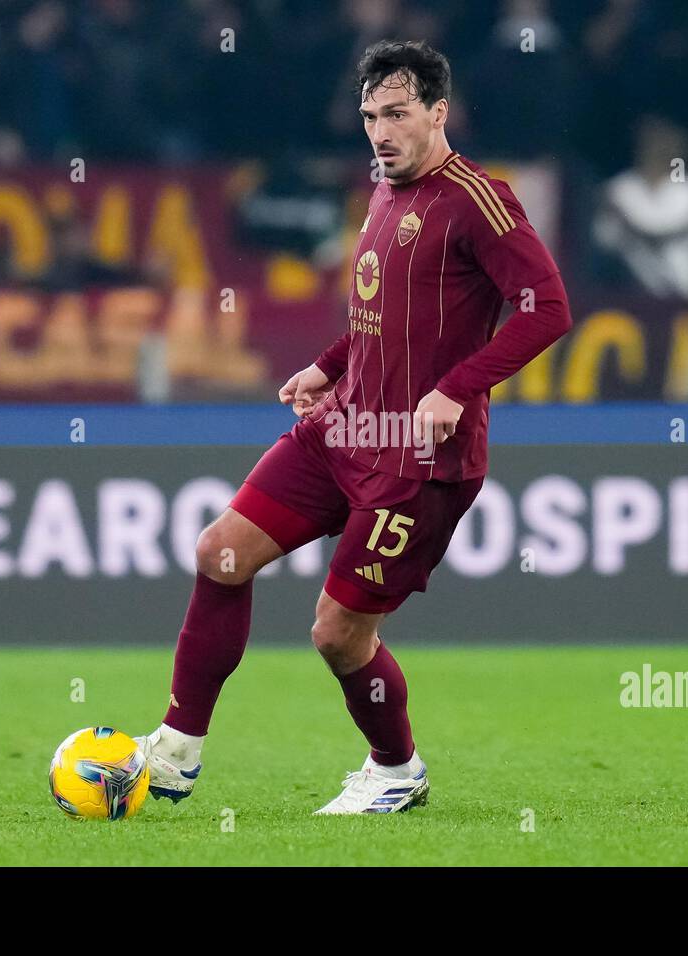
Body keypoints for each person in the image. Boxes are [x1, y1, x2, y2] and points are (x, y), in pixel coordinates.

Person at [134, 39, 572, 814]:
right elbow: (383, 316)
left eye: (398, 114)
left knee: (338, 634)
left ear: (440, 112)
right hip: (341, 430)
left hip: (419, 458)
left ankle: (396, 769)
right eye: (371, 116)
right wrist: (329, 367)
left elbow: (549, 310)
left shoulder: (479, 199)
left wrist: (456, 390)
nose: (381, 131)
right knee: (221, 554)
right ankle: (174, 755)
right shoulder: (381, 189)